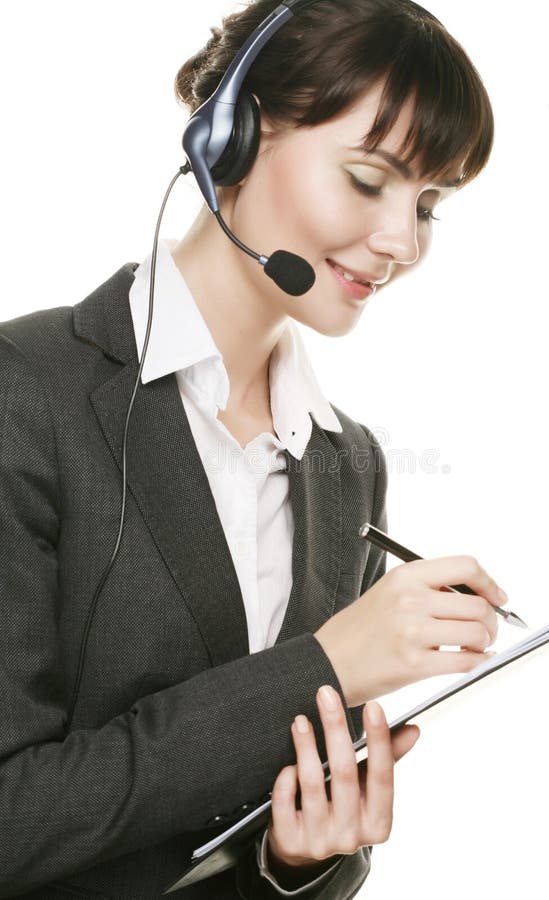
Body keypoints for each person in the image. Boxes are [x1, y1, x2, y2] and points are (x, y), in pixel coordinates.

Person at [0, 0, 505, 897]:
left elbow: (269, 827)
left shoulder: (347, 462)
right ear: (232, 137)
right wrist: (325, 666)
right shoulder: (24, 389)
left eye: (428, 203)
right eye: (366, 179)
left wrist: (303, 858)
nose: (401, 241)